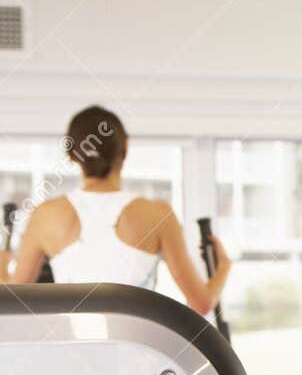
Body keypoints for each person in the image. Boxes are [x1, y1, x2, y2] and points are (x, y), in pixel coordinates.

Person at [0, 105, 231, 313]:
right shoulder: (159, 215)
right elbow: (201, 303)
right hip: (138, 346)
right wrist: (224, 268)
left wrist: (2, 267)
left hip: (75, 345)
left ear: (72, 154)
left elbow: (12, 301)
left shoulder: (45, 216)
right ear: (125, 148)